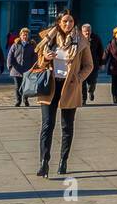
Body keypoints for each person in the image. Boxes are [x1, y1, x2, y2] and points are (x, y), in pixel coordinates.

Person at [34, 10, 93, 176]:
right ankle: (44, 162)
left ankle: (63, 160)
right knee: (47, 125)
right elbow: (39, 62)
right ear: (58, 22)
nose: (68, 24)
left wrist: (78, 78)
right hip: (50, 86)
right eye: (65, 21)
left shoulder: (81, 41)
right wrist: (46, 57)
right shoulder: (49, 38)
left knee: (67, 126)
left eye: (71, 21)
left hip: (70, 86)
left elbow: (89, 65)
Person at [6, 27, 36, 107]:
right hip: (16, 69)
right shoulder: (15, 45)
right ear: (20, 36)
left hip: (27, 69)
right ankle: (18, 100)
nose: (25, 36)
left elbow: (34, 57)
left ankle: (25, 99)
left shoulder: (31, 45)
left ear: (28, 36)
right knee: (17, 86)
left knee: (26, 86)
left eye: (26, 35)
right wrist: (9, 66)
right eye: (23, 35)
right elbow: (10, 56)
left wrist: (33, 67)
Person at [80, 24, 103, 106]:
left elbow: (101, 51)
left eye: (89, 31)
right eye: (85, 31)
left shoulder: (96, 38)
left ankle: (91, 91)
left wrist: (101, 63)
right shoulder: (79, 39)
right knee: (82, 83)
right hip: (81, 66)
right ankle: (83, 99)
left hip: (93, 65)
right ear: (82, 31)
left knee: (92, 82)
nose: (87, 33)